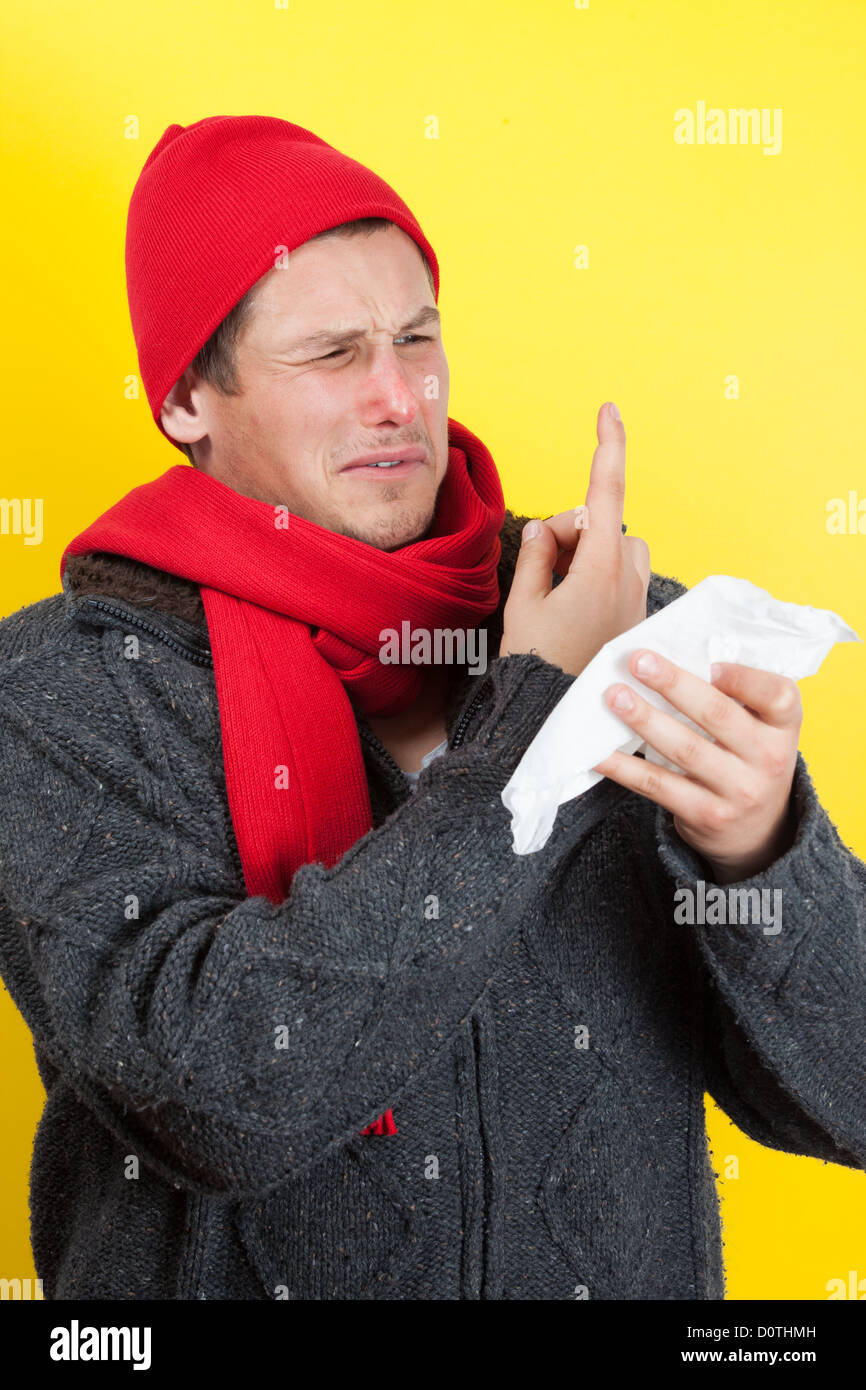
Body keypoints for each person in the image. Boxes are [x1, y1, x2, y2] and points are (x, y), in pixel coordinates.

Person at [0, 115, 862, 1301]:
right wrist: (534, 724)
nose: (399, 397)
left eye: (416, 337)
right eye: (331, 354)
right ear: (189, 396)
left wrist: (758, 851)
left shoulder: (618, 626)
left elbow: (846, 1095)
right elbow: (216, 1101)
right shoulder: (65, 690)